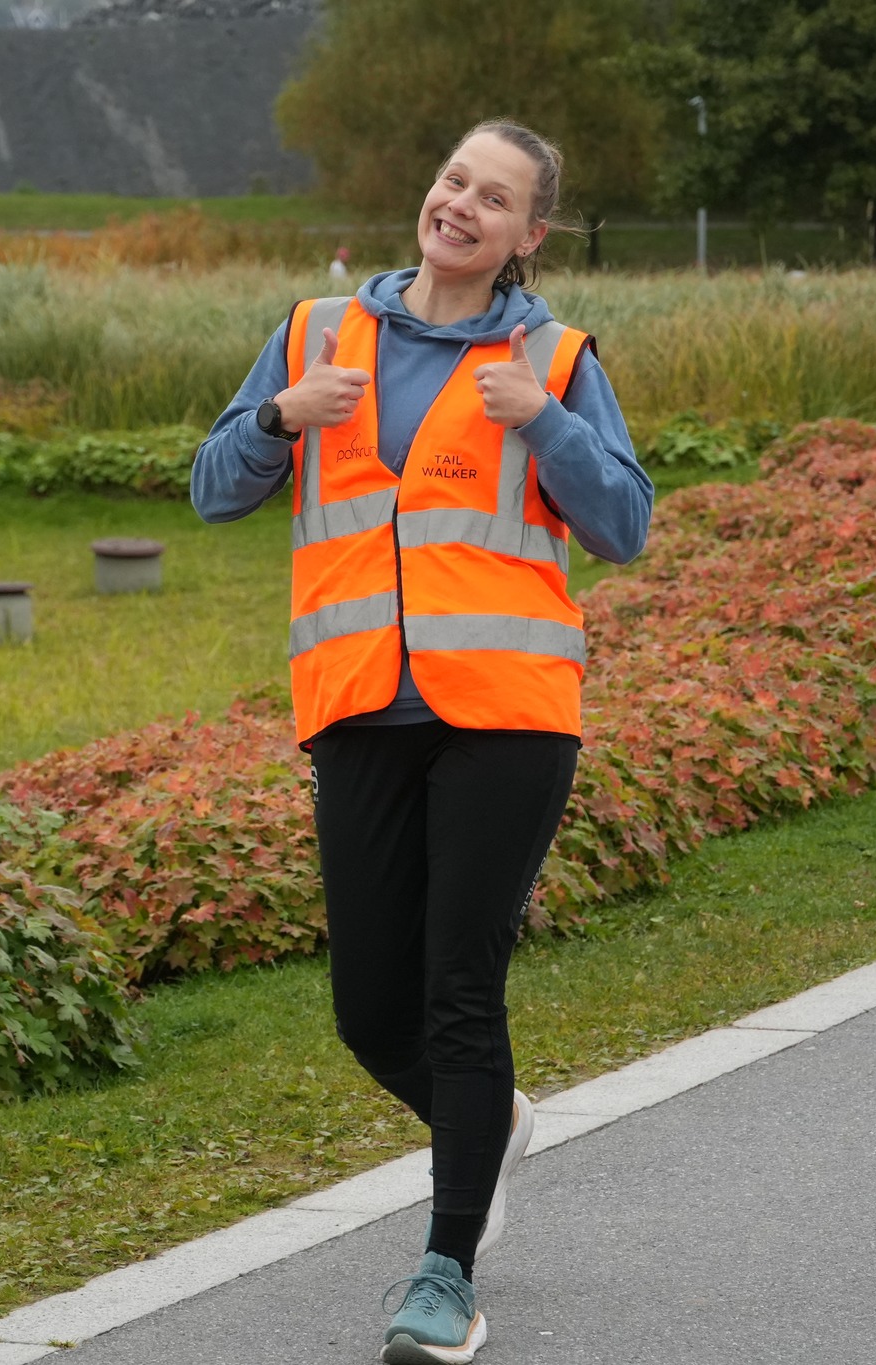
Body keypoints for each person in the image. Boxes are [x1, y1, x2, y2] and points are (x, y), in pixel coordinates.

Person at [191, 119, 653, 1363]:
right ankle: (488, 1129)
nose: (460, 206)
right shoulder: (313, 335)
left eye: (493, 199)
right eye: (454, 181)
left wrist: (543, 424)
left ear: (527, 235)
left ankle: (446, 1276)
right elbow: (213, 489)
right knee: (367, 1010)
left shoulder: (549, 360)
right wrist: (278, 417)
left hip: (506, 714)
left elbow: (622, 524)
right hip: (358, 708)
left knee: (458, 987)